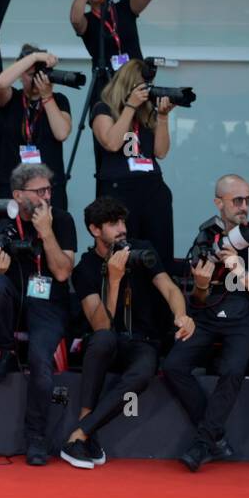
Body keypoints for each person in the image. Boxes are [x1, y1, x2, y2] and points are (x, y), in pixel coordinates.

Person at [59, 196, 193, 469]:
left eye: (122, 222)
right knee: (103, 340)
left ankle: (82, 433)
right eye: (112, 223)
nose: (121, 228)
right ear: (95, 230)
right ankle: (86, 433)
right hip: (107, 343)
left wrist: (182, 315)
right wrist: (115, 280)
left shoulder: (143, 250)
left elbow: (169, 288)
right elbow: (100, 325)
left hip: (142, 342)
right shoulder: (84, 268)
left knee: (144, 372)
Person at [162, 174, 249, 472]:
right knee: (174, 366)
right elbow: (199, 300)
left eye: (247, 200)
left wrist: (238, 268)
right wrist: (200, 285)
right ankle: (215, 437)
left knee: (232, 369)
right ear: (218, 202)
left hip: (246, 317)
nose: (244, 207)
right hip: (209, 316)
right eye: (236, 200)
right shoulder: (205, 237)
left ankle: (202, 444)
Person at [0, 162, 76, 466]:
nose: (46, 196)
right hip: (15, 299)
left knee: (40, 366)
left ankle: (36, 438)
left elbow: (62, 273)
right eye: (39, 191)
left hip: (48, 304)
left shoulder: (61, 219)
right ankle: (5, 349)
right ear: (18, 195)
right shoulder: (2, 220)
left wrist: (46, 233)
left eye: (49, 190)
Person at [90, 58, 177, 270]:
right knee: (125, 253)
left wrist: (163, 117)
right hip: (120, 191)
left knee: (159, 253)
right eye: (142, 86)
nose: (147, 92)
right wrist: (129, 106)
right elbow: (111, 143)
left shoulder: (146, 112)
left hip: (152, 187)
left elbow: (161, 152)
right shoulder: (103, 109)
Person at [0, 45, 72, 209]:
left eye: (40, 75)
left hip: (49, 187)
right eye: (31, 75)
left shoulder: (59, 100)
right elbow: (1, 83)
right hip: (14, 186)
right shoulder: (12, 98)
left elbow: (62, 133)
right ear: (20, 75)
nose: (36, 80)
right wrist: (35, 57)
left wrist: (47, 96)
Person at [70, 0, 157, 98]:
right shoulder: (87, 21)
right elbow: (75, 20)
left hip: (135, 82)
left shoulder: (125, 8)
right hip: (106, 87)